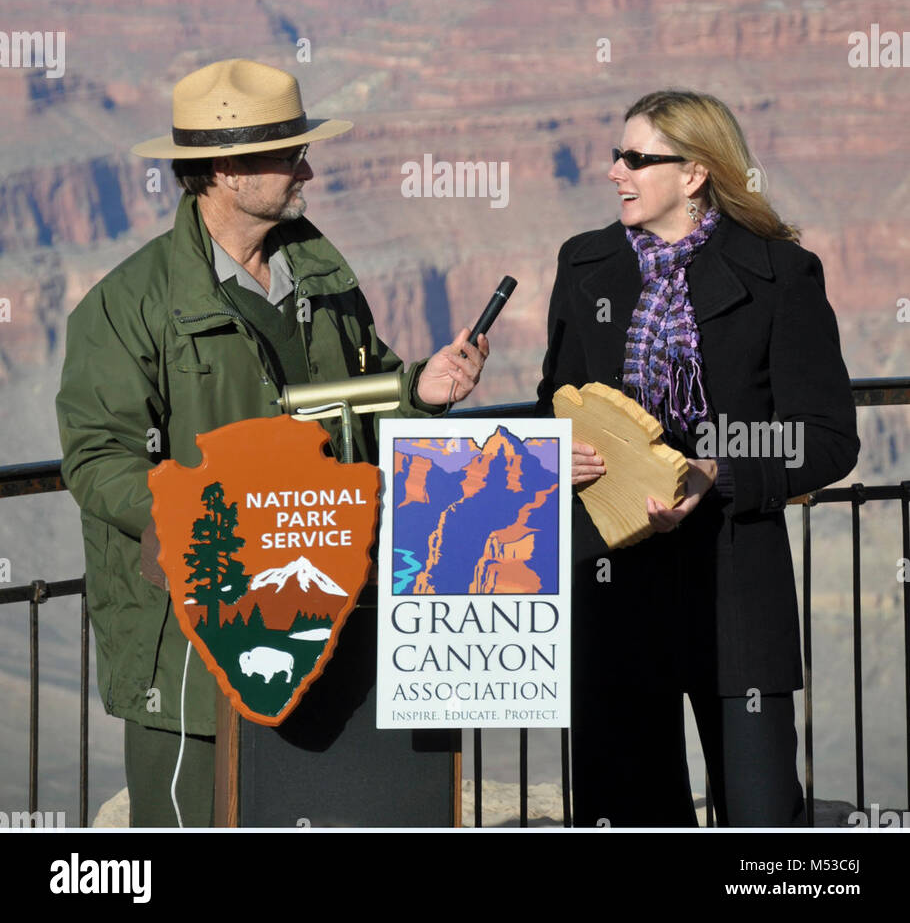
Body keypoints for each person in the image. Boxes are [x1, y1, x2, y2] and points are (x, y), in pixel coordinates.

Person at [55, 57, 488, 827]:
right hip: (196, 637)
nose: (308, 169)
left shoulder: (323, 278)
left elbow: (372, 391)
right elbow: (98, 455)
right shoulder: (128, 306)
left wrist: (422, 393)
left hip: (332, 618)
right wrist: (188, 514)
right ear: (225, 169)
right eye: (289, 154)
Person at [536, 89, 859, 827]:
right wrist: (561, 453)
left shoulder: (780, 275)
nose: (615, 170)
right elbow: (553, 399)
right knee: (627, 811)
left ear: (694, 175)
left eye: (636, 158)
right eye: (617, 155)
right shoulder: (585, 267)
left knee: (763, 820)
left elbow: (829, 434)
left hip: (736, 581)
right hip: (613, 579)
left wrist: (722, 471)